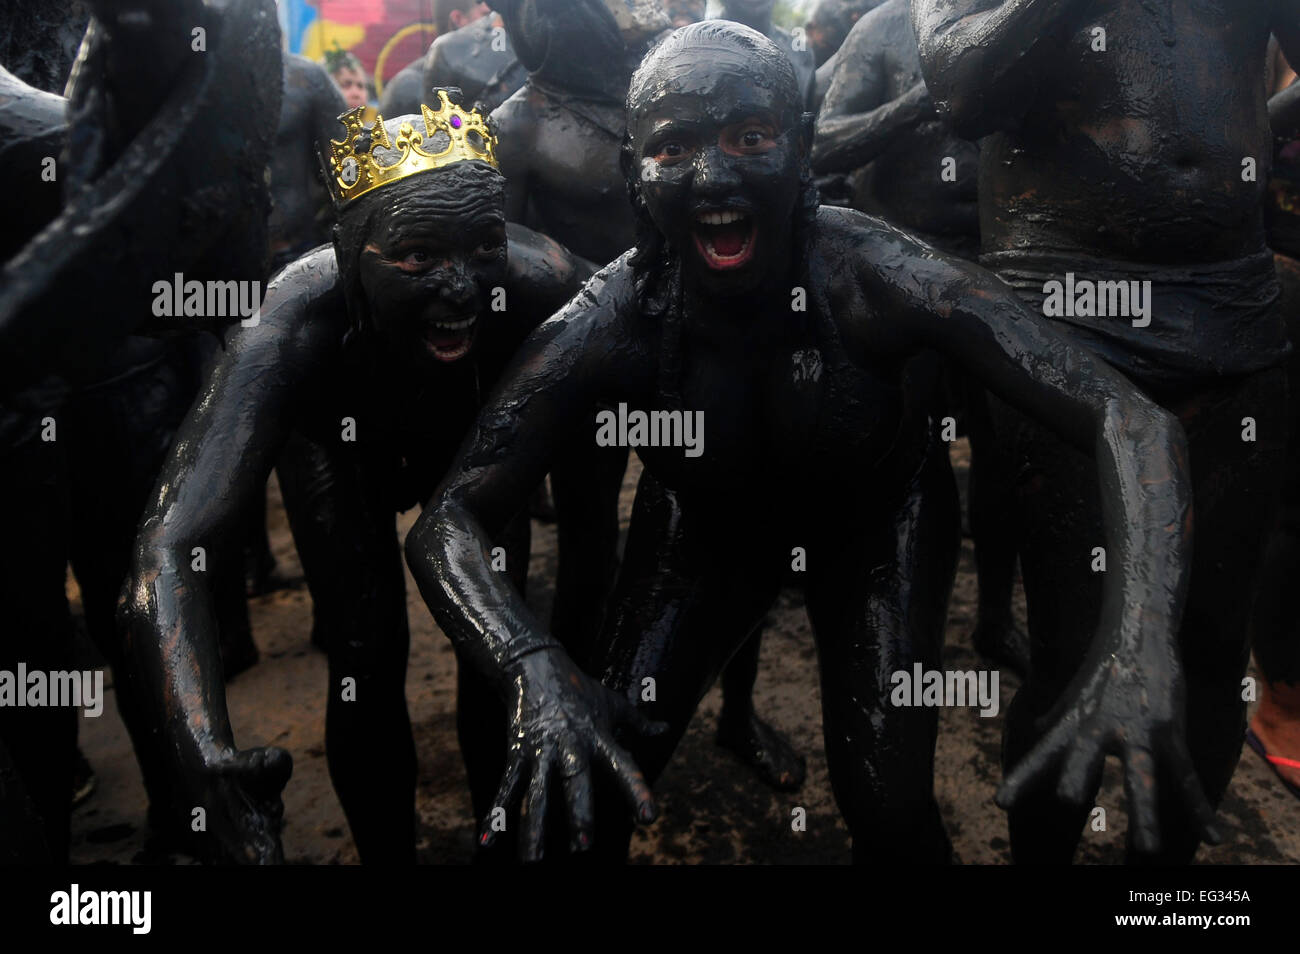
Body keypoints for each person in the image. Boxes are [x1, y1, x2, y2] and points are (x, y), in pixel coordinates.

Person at [405, 21, 1207, 864]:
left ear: (803, 151)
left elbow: (1128, 417)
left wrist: (1139, 645)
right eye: (674, 148)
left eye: (749, 137)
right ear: (635, 178)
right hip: (702, 526)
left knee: (887, 809)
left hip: (876, 526)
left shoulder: (878, 275)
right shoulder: (615, 317)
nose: (714, 177)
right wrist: (529, 661)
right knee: (590, 786)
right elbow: (449, 516)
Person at [120, 96, 597, 864]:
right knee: (364, 655)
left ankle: (502, 838)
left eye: (481, 247)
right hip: (337, 449)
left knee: (495, 641)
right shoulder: (289, 322)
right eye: (415, 257)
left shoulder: (541, 277)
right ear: (348, 254)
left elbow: (656, 333)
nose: (462, 287)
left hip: (470, 441)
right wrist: (199, 751)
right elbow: (167, 548)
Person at [912, 0, 1297, 862]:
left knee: (1210, 642)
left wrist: (1242, 139)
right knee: (1078, 642)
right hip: (1069, 319)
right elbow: (961, 91)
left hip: (1232, 314)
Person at [492, 0, 807, 791]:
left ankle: (736, 711)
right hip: (600, 354)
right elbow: (503, 263)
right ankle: (576, 706)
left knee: (737, 527)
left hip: (702, 340)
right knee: (591, 548)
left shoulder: (658, 90)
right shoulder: (518, 124)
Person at [813, 0, 1026, 676]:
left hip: (1005, 270)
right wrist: (917, 102)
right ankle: (894, 632)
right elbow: (822, 143)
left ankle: (996, 618)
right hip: (902, 272)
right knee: (903, 464)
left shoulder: (1027, 28)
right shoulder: (882, 30)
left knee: (1006, 460)